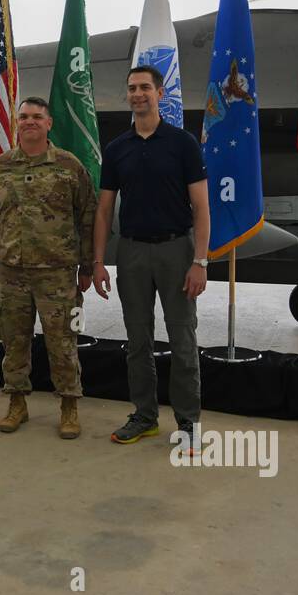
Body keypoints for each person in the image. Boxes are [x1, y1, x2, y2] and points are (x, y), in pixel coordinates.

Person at [92, 65, 209, 449]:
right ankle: (144, 417)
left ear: (160, 93)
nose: (138, 94)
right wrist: (97, 262)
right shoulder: (116, 149)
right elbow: (105, 210)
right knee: (137, 342)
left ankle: (188, 423)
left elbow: (201, 208)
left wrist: (200, 262)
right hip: (132, 253)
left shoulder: (183, 143)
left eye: (145, 87)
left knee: (183, 341)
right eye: (132, 88)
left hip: (177, 251)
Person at [0, 97, 95, 439]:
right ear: (17, 123)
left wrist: (86, 267)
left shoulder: (69, 166)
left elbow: (86, 218)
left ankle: (69, 406)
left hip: (57, 274)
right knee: (13, 341)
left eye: (37, 117)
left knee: (63, 342)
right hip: (12, 272)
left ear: (49, 123)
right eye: (24, 116)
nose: (30, 121)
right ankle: (16, 404)